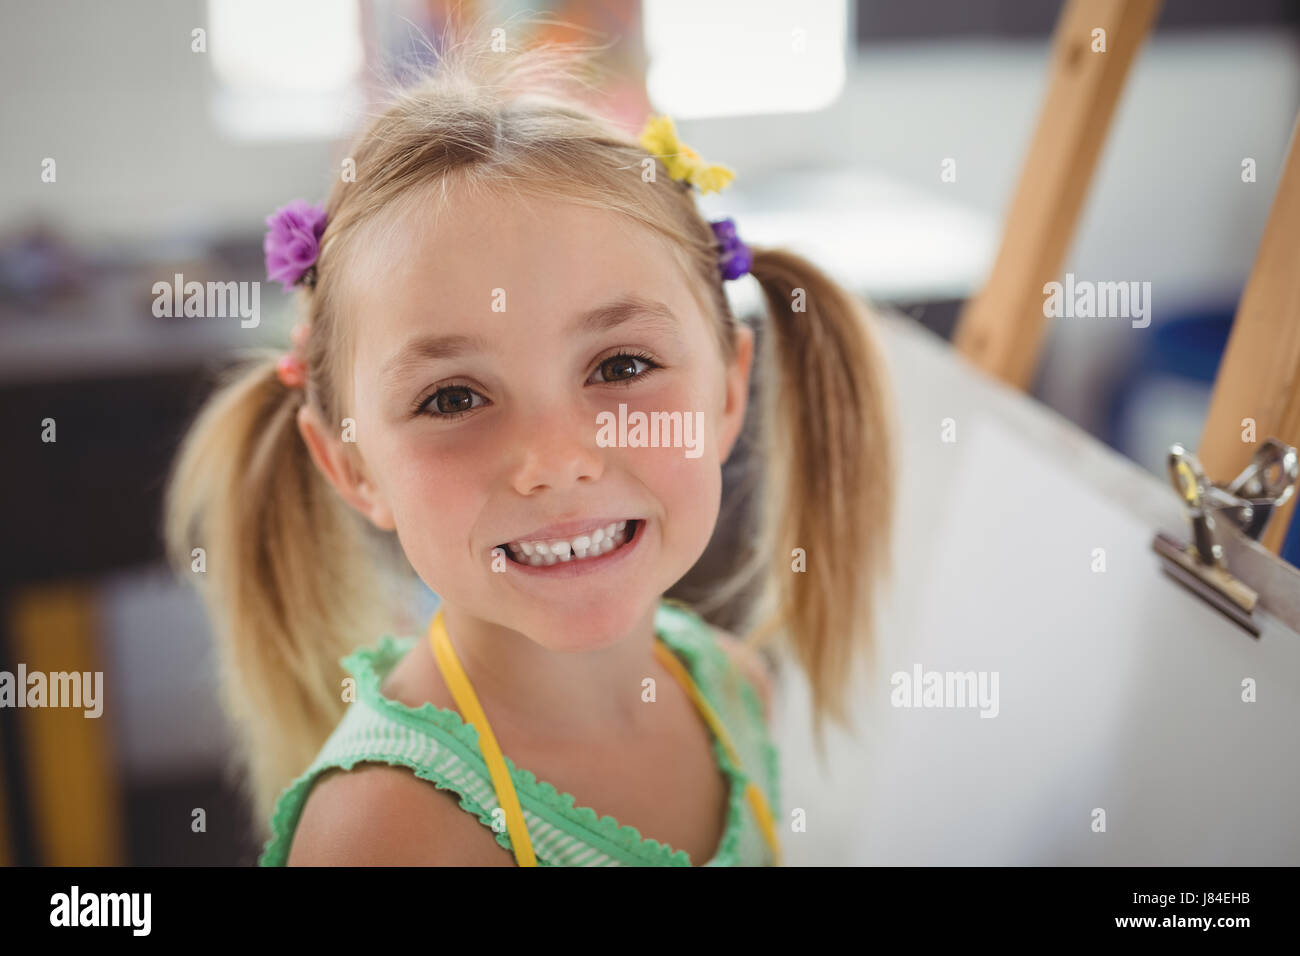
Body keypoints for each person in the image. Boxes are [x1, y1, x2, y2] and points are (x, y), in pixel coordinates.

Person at [164, 34, 896, 867]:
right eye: (452, 397)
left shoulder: (732, 691)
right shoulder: (388, 834)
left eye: (622, 366)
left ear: (726, 395)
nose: (554, 458)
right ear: (354, 466)